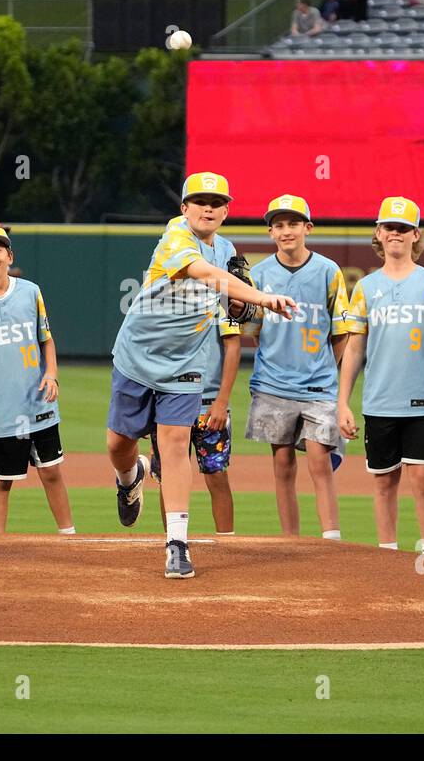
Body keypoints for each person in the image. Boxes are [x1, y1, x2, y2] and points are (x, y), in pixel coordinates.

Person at [107, 172, 295, 579]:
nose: (208, 208)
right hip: (137, 357)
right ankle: (129, 477)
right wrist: (261, 296)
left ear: (226, 211)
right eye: (199, 201)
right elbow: (207, 275)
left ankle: (177, 545)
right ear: (184, 209)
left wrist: (249, 305)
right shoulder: (176, 237)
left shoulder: (227, 250)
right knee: (118, 444)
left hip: (186, 366)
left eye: (217, 202)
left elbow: (236, 302)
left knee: (173, 445)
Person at [338, 197, 424, 554]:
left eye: (403, 228)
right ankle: (387, 553)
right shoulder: (365, 287)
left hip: (420, 397)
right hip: (379, 399)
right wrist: (342, 401)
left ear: (415, 235)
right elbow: (354, 347)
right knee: (383, 481)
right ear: (379, 232)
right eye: (390, 227)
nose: (396, 233)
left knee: (421, 477)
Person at [243, 195, 350, 539]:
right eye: (279, 225)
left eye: (293, 224)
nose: (286, 231)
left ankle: (331, 540)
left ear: (308, 227)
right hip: (273, 384)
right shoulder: (258, 275)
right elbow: (254, 333)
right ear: (271, 231)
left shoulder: (328, 271)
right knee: (282, 462)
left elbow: (341, 332)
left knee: (320, 459)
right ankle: (291, 542)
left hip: (318, 385)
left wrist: (325, 369)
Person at [0, 225, 74, 535]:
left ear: (9, 256)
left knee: (51, 473)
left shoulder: (30, 291)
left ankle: (69, 536)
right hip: (0, 409)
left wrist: (51, 373)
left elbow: (46, 338)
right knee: (1, 482)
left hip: (37, 402)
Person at [150, 208, 244, 537]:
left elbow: (233, 347)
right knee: (168, 475)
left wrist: (221, 402)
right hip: (170, 396)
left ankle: (226, 542)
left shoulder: (217, 299)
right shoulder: (164, 300)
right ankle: (173, 541)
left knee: (216, 475)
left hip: (207, 399)